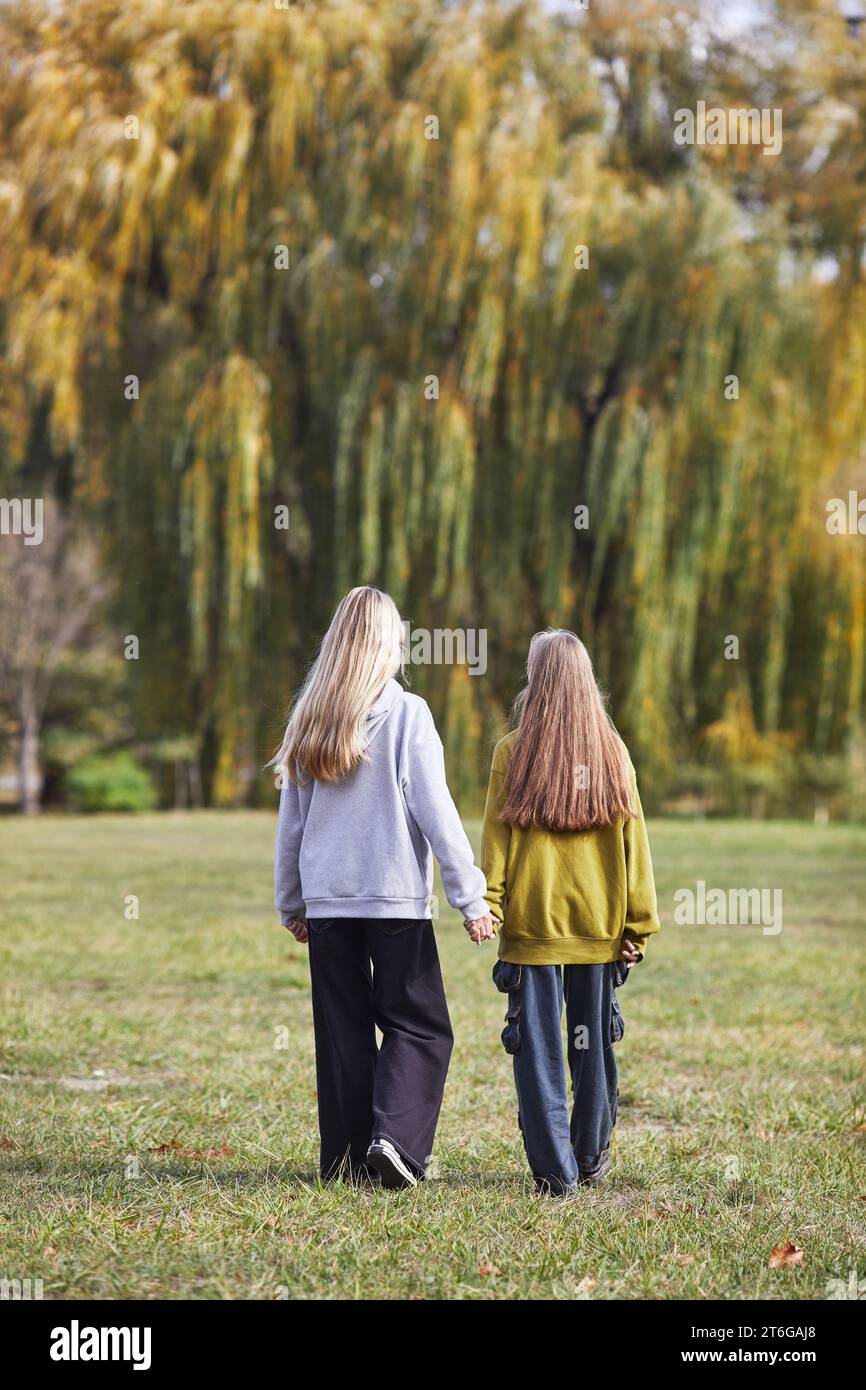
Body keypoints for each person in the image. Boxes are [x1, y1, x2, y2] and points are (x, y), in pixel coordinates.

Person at [272, 585, 495, 1189]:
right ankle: (394, 1141)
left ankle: (345, 1160)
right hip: (394, 898)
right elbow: (437, 812)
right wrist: (470, 897)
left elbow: (290, 825)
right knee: (419, 1025)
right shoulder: (407, 713)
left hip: (328, 904)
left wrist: (292, 901)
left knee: (341, 1030)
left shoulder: (309, 715)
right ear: (385, 644)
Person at [481, 629, 660, 1195]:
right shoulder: (613, 751)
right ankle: (589, 1154)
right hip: (600, 925)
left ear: (537, 682)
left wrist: (487, 901)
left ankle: (555, 1173)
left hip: (535, 926)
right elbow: (636, 842)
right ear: (587, 683)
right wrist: (639, 925)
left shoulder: (512, 752)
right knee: (592, 1044)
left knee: (538, 1054)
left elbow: (496, 840)